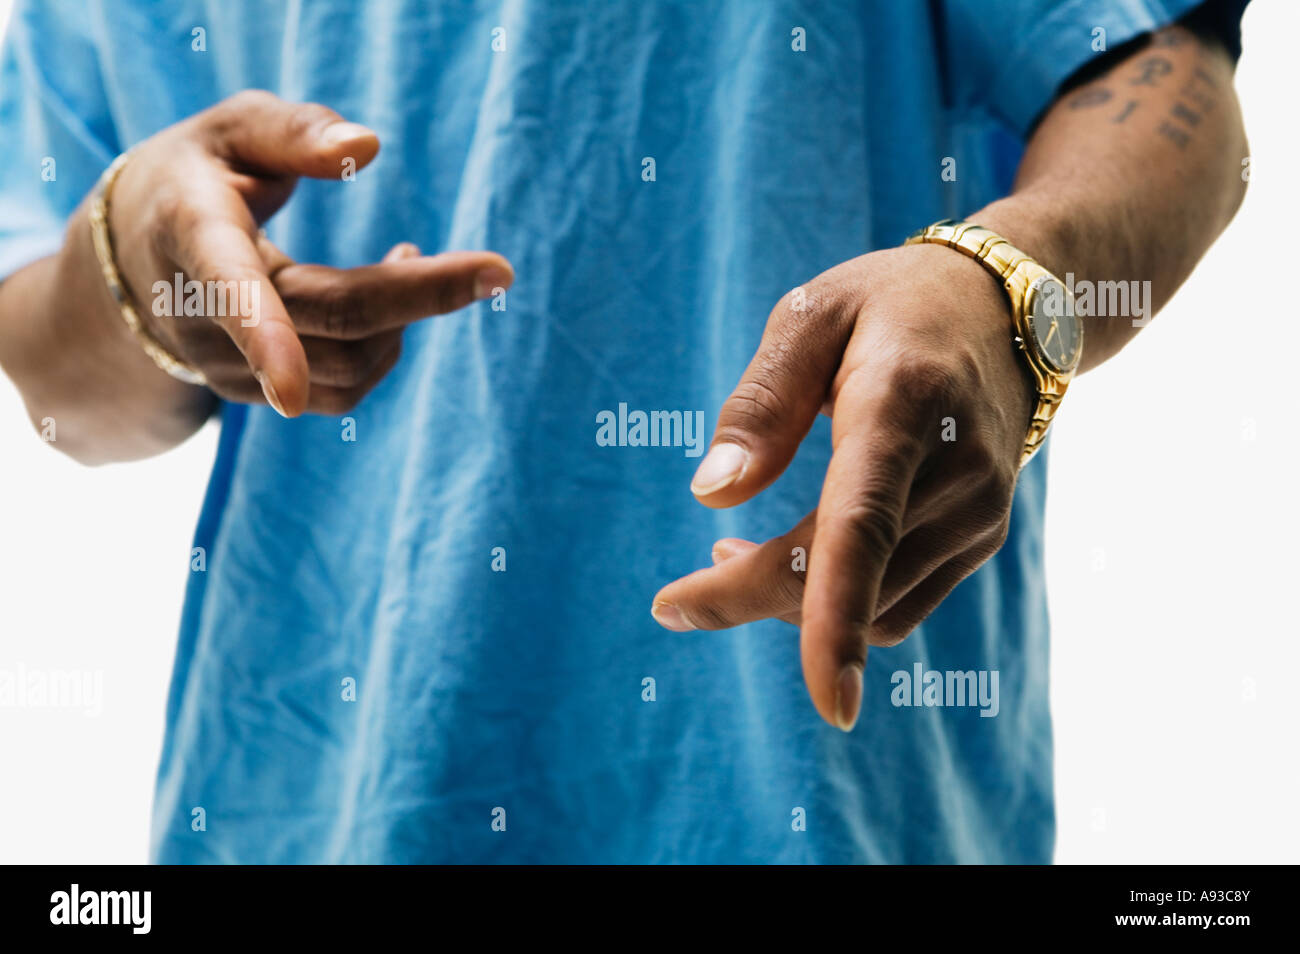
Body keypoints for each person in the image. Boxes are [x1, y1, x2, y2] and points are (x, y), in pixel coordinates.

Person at [0, 0, 1250, 863]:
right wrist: (125, 269)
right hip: (294, 809)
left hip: (826, 804)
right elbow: (58, 380)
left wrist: (1006, 283)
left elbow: (1160, 84)